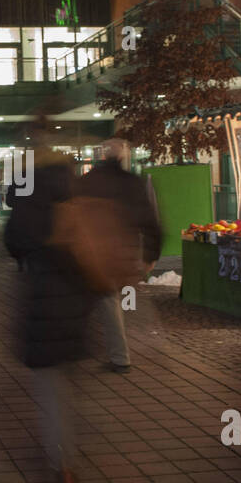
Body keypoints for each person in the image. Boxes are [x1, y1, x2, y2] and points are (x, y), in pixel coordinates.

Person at [3, 118, 95, 483]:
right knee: (68, 393)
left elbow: (14, 240)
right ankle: (72, 477)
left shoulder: (27, 186)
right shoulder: (72, 183)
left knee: (54, 402)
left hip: (44, 302)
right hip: (76, 301)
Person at [76, 138, 162, 373]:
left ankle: (115, 354)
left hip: (93, 251)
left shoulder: (88, 181)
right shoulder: (132, 183)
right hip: (124, 251)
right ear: (123, 157)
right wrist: (151, 253)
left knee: (101, 298)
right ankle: (119, 354)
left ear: (103, 156)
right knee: (113, 298)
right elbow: (149, 221)